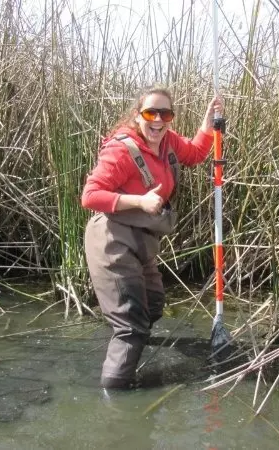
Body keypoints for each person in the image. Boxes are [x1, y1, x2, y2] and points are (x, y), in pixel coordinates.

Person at [81, 85, 224, 389]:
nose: (158, 120)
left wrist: (207, 124)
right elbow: (90, 196)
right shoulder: (121, 150)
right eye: (150, 113)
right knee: (131, 328)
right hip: (112, 239)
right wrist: (140, 201)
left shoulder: (168, 141)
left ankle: (129, 341)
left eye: (165, 113)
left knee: (154, 305)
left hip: (142, 241)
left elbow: (196, 153)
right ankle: (116, 400)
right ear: (138, 114)